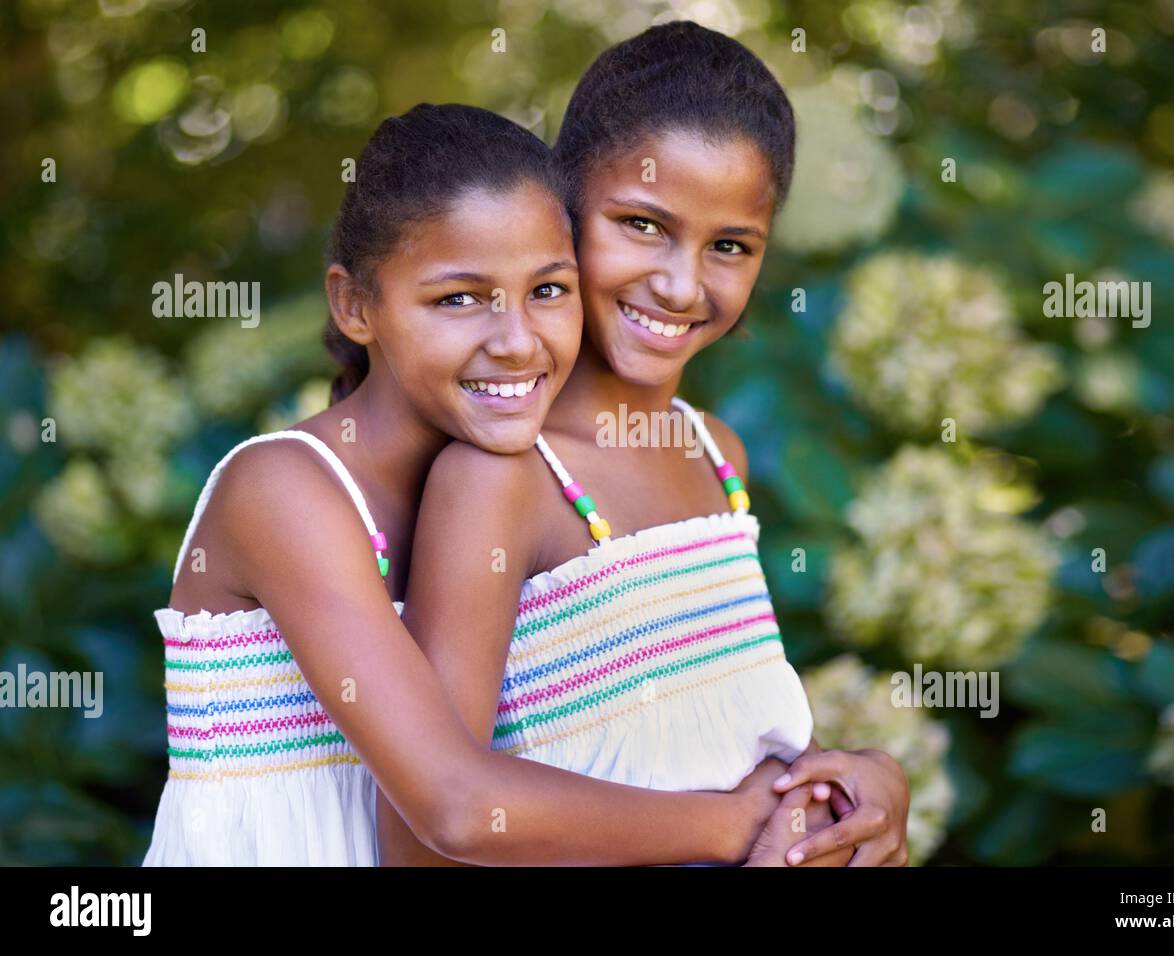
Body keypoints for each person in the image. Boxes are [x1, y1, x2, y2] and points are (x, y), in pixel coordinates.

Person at [143, 103, 801, 866]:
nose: (516, 342)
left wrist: (854, 778)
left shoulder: (511, 498)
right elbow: (454, 807)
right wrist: (731, 826)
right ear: (355, 304)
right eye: (458, 299)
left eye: (548, 291)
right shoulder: (287, 489)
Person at [378, 23, 911, 868]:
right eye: (643, 224)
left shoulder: (716, 455)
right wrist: (731, 828)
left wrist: (869, 782)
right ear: (560, 209)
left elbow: (710, 743)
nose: (681, 283)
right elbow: (425, 837)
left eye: (729, 245)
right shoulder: (502, 480)